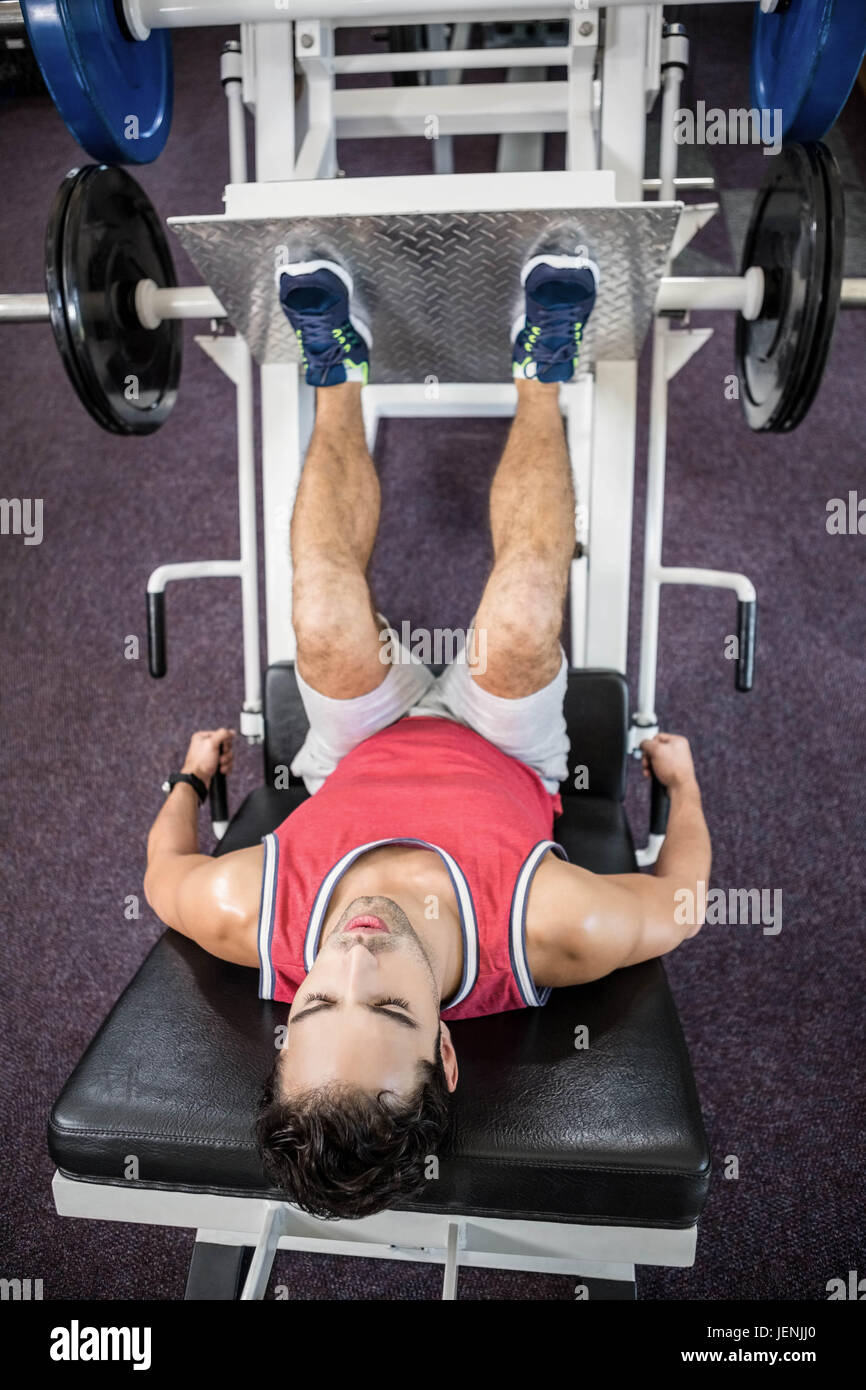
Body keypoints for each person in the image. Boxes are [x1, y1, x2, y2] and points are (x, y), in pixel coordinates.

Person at [144, 252, 711, 1220]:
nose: (355, 958)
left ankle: (336, 373)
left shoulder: (253, 912)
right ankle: (542, 364)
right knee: (527, 605)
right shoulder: (549, 932)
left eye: (317, 1004)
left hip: (361, 744)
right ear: (443, 1046)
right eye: (391, 1007)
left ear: (286, 1028)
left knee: (320, 609)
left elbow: (161, 877)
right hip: (502, 746)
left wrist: (191, 780)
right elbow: (683, 902)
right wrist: (682, 783)